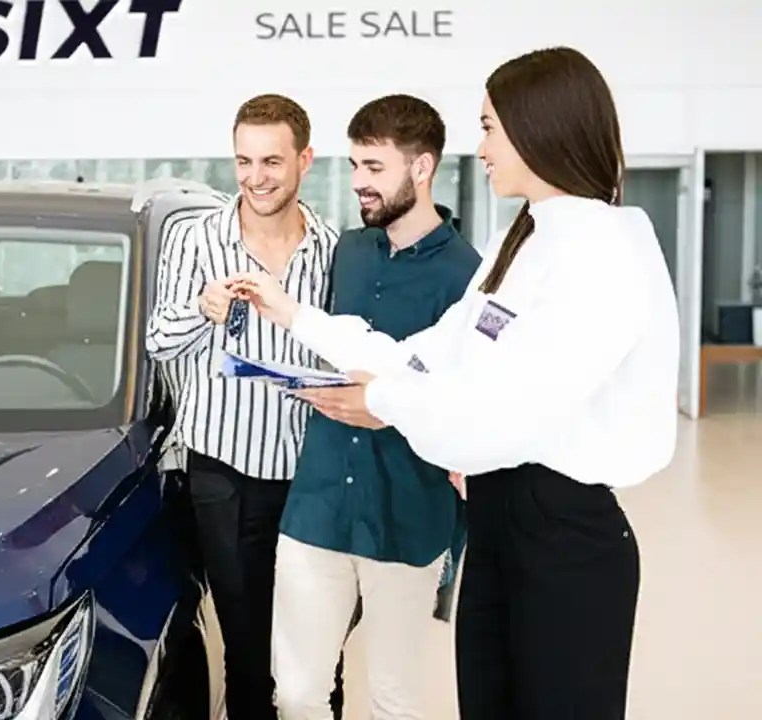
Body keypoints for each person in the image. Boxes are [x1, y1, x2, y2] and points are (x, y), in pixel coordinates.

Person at [232, 46, 679, 719]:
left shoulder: (602, 249)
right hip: (499, 520)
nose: (482, 146)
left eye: (491, 126)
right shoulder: (521, 239)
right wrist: (293, 314)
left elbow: (505, 411)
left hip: (563, 534)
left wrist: (380, 401)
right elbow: (431, 356)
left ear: (539, 126)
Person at [250, 94, 480, 720]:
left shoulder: (470, 277)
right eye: (354, 167)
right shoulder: (347, 251)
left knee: (393, 698)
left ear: (422, 167)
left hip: (408, 513)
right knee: (296, 692)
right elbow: (334, 345)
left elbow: (466, 401)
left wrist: (392, 407)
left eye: (374, 168)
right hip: (319, 504)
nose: (358, 184)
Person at [145, 93, 339, 720]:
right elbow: (157, 340)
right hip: (223, 471)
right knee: (247, 650)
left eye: (272, 162)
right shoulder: (196, 239)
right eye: (244, 161)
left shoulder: (334, 250)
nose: (256, 177)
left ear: (304, 160)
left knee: (316, 653)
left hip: (309, 477)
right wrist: (200, 309)